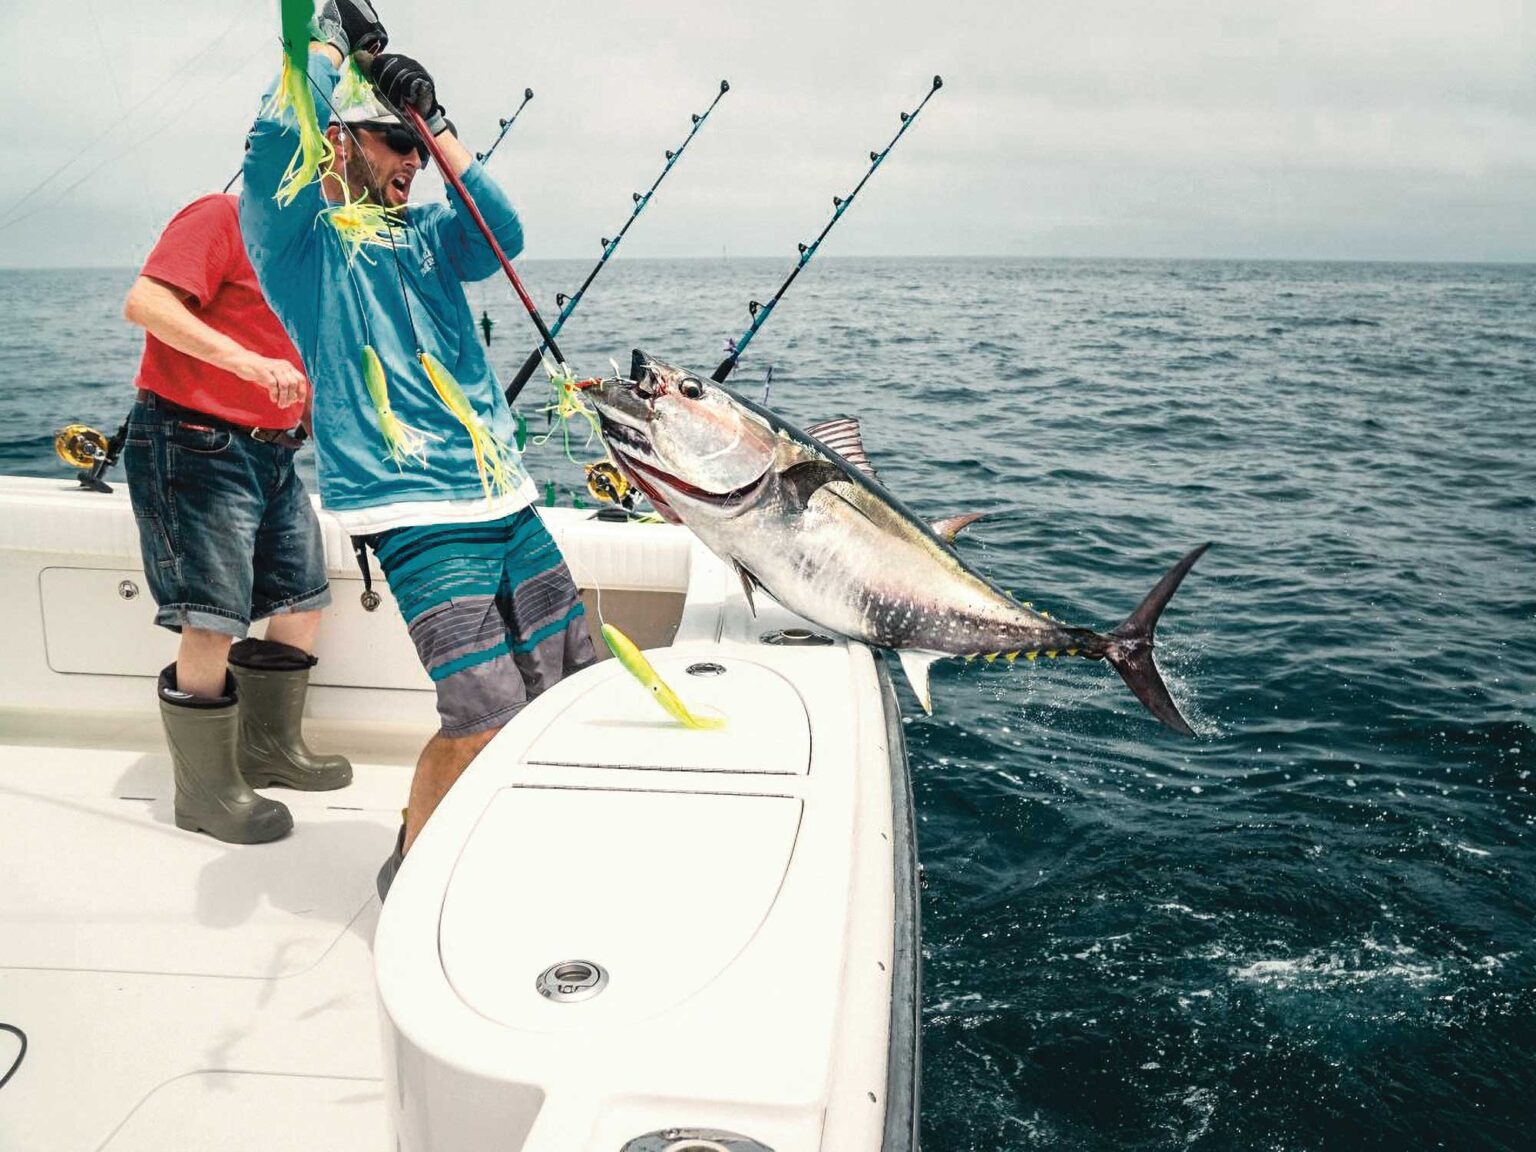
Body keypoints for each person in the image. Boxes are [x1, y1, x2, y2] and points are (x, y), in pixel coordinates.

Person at [240, 1, 594, 896]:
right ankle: (412, 871)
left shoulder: (433, 235)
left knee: (568, 682)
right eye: (394, 142)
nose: (411, 160)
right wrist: (332, 46)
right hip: (417, 514)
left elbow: (504, 232)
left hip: (505, 496)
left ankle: (493, 835)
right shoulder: (301, 247)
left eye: (417, 148)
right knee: (482, 712)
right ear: (341, 142)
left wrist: (434, 121)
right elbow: (275, 141)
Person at [122, 193, 353, 846]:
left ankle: (268, 750)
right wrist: (250, 366)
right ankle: (204, 794)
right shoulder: (221, 217)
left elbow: (296, 363)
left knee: (301, 599)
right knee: (213, 619)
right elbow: (146, 302)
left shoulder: (312, 254)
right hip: (194, 441)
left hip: (274, 451)